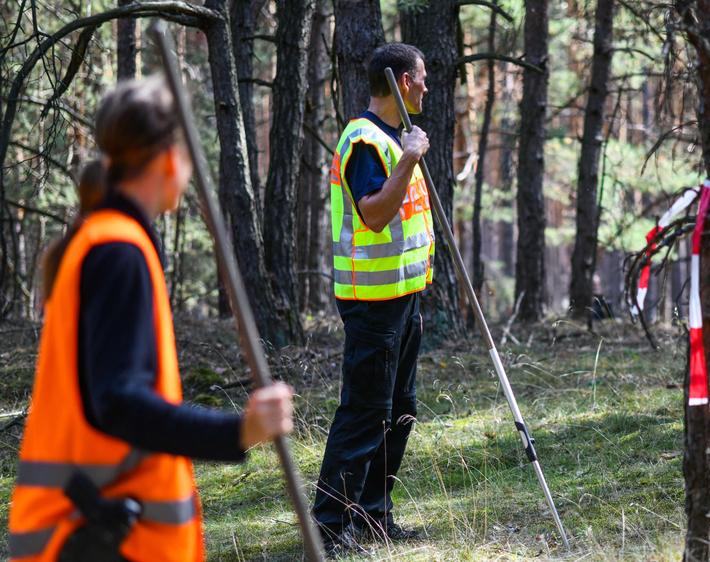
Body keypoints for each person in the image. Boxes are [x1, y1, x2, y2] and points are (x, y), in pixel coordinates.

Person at [8, 77, 294, 562]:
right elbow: (120, 400)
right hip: (100, 539)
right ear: (168, 158)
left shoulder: (103, 240)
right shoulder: (117, 250)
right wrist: (237, 431)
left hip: (96, 535)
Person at [312, 43, 434, 553]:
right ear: (403, 82)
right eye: (422, 78)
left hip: (404, 298)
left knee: (400, 409)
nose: (427, 86)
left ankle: (373, 516)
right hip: (373, 303)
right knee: (365, 411)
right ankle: (328, 527)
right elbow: (375, 214)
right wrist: (408, 160)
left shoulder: (394, 137)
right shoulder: (366, 140)